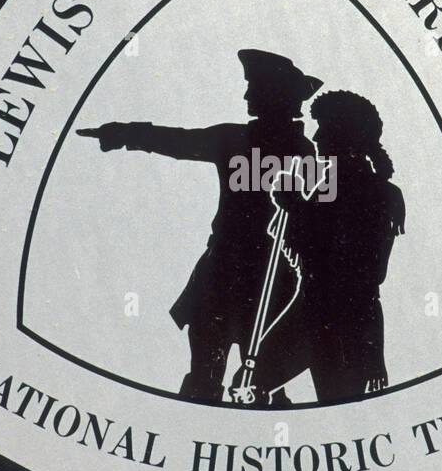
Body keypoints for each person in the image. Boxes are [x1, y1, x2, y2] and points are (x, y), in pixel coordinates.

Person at [77, 49, 321, 403]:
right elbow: (178, 142)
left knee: (260, 383)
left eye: (253, 88)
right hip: (222, 272)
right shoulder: (236, 139)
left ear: (274, 94)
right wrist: (121, 133)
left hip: (269, 275)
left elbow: (315, 219)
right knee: (206, 374)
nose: (246, 96)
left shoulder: (304, 151)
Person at [253, 90, 405, 403]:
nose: (317, 136)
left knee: (337, 412)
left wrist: (295, 207)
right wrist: (294, 207)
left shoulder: (379, 194)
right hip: (310, 311)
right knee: (252, 385)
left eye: (324, 127)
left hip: (345, 324)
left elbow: (365, 272)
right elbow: (306, 252)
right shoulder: (327, 186)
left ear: (345, 133)